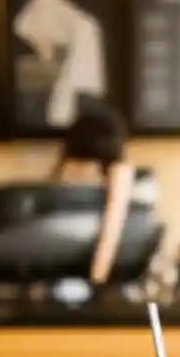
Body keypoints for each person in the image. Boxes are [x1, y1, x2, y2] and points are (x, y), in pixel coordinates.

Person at [50, 104, 135, 286]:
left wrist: (96, 279)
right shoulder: (115, 170)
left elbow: (112, 225)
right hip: (74, 268)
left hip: (92, 271)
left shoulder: (117, 172)